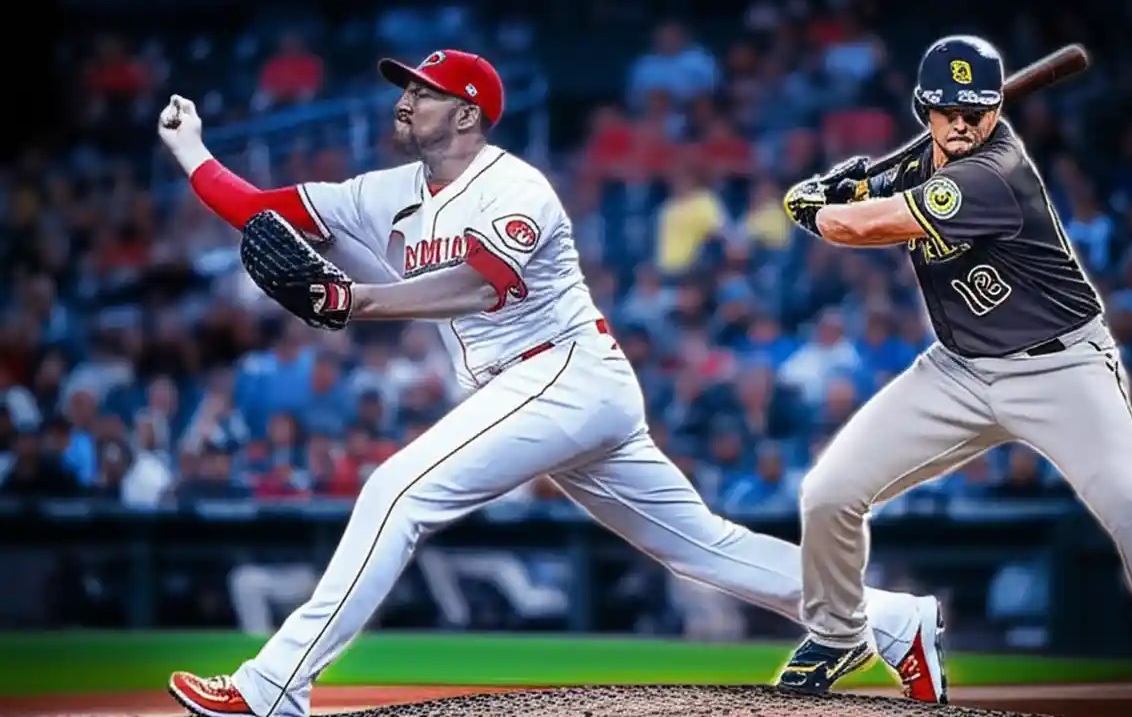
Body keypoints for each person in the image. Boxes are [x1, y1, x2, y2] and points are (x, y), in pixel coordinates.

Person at [157, 49, 947, 717]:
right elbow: (261, 210)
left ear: (467, 113)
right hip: (548, 391)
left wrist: (357, 300)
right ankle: (890, 619)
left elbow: (482, 284)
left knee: (396, 492)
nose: (406, 99)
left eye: (424, 91)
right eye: (407, 87)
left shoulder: (516, 186)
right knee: (703, 548)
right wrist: (191, 150)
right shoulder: (383, 193)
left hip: (563, 374)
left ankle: (275, 684)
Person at [773, 35, 1132, 717]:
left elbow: (869, 226)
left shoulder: (997, 171)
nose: (964, 123)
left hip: (1061, 368)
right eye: (948, 109)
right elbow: (878, 195)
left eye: (978, 110)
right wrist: (854, 182)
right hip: (959, 370)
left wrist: (819, 208)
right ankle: (839, 633)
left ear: (995, 112)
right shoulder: (925, 162)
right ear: (924, 109)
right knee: (828, 494)